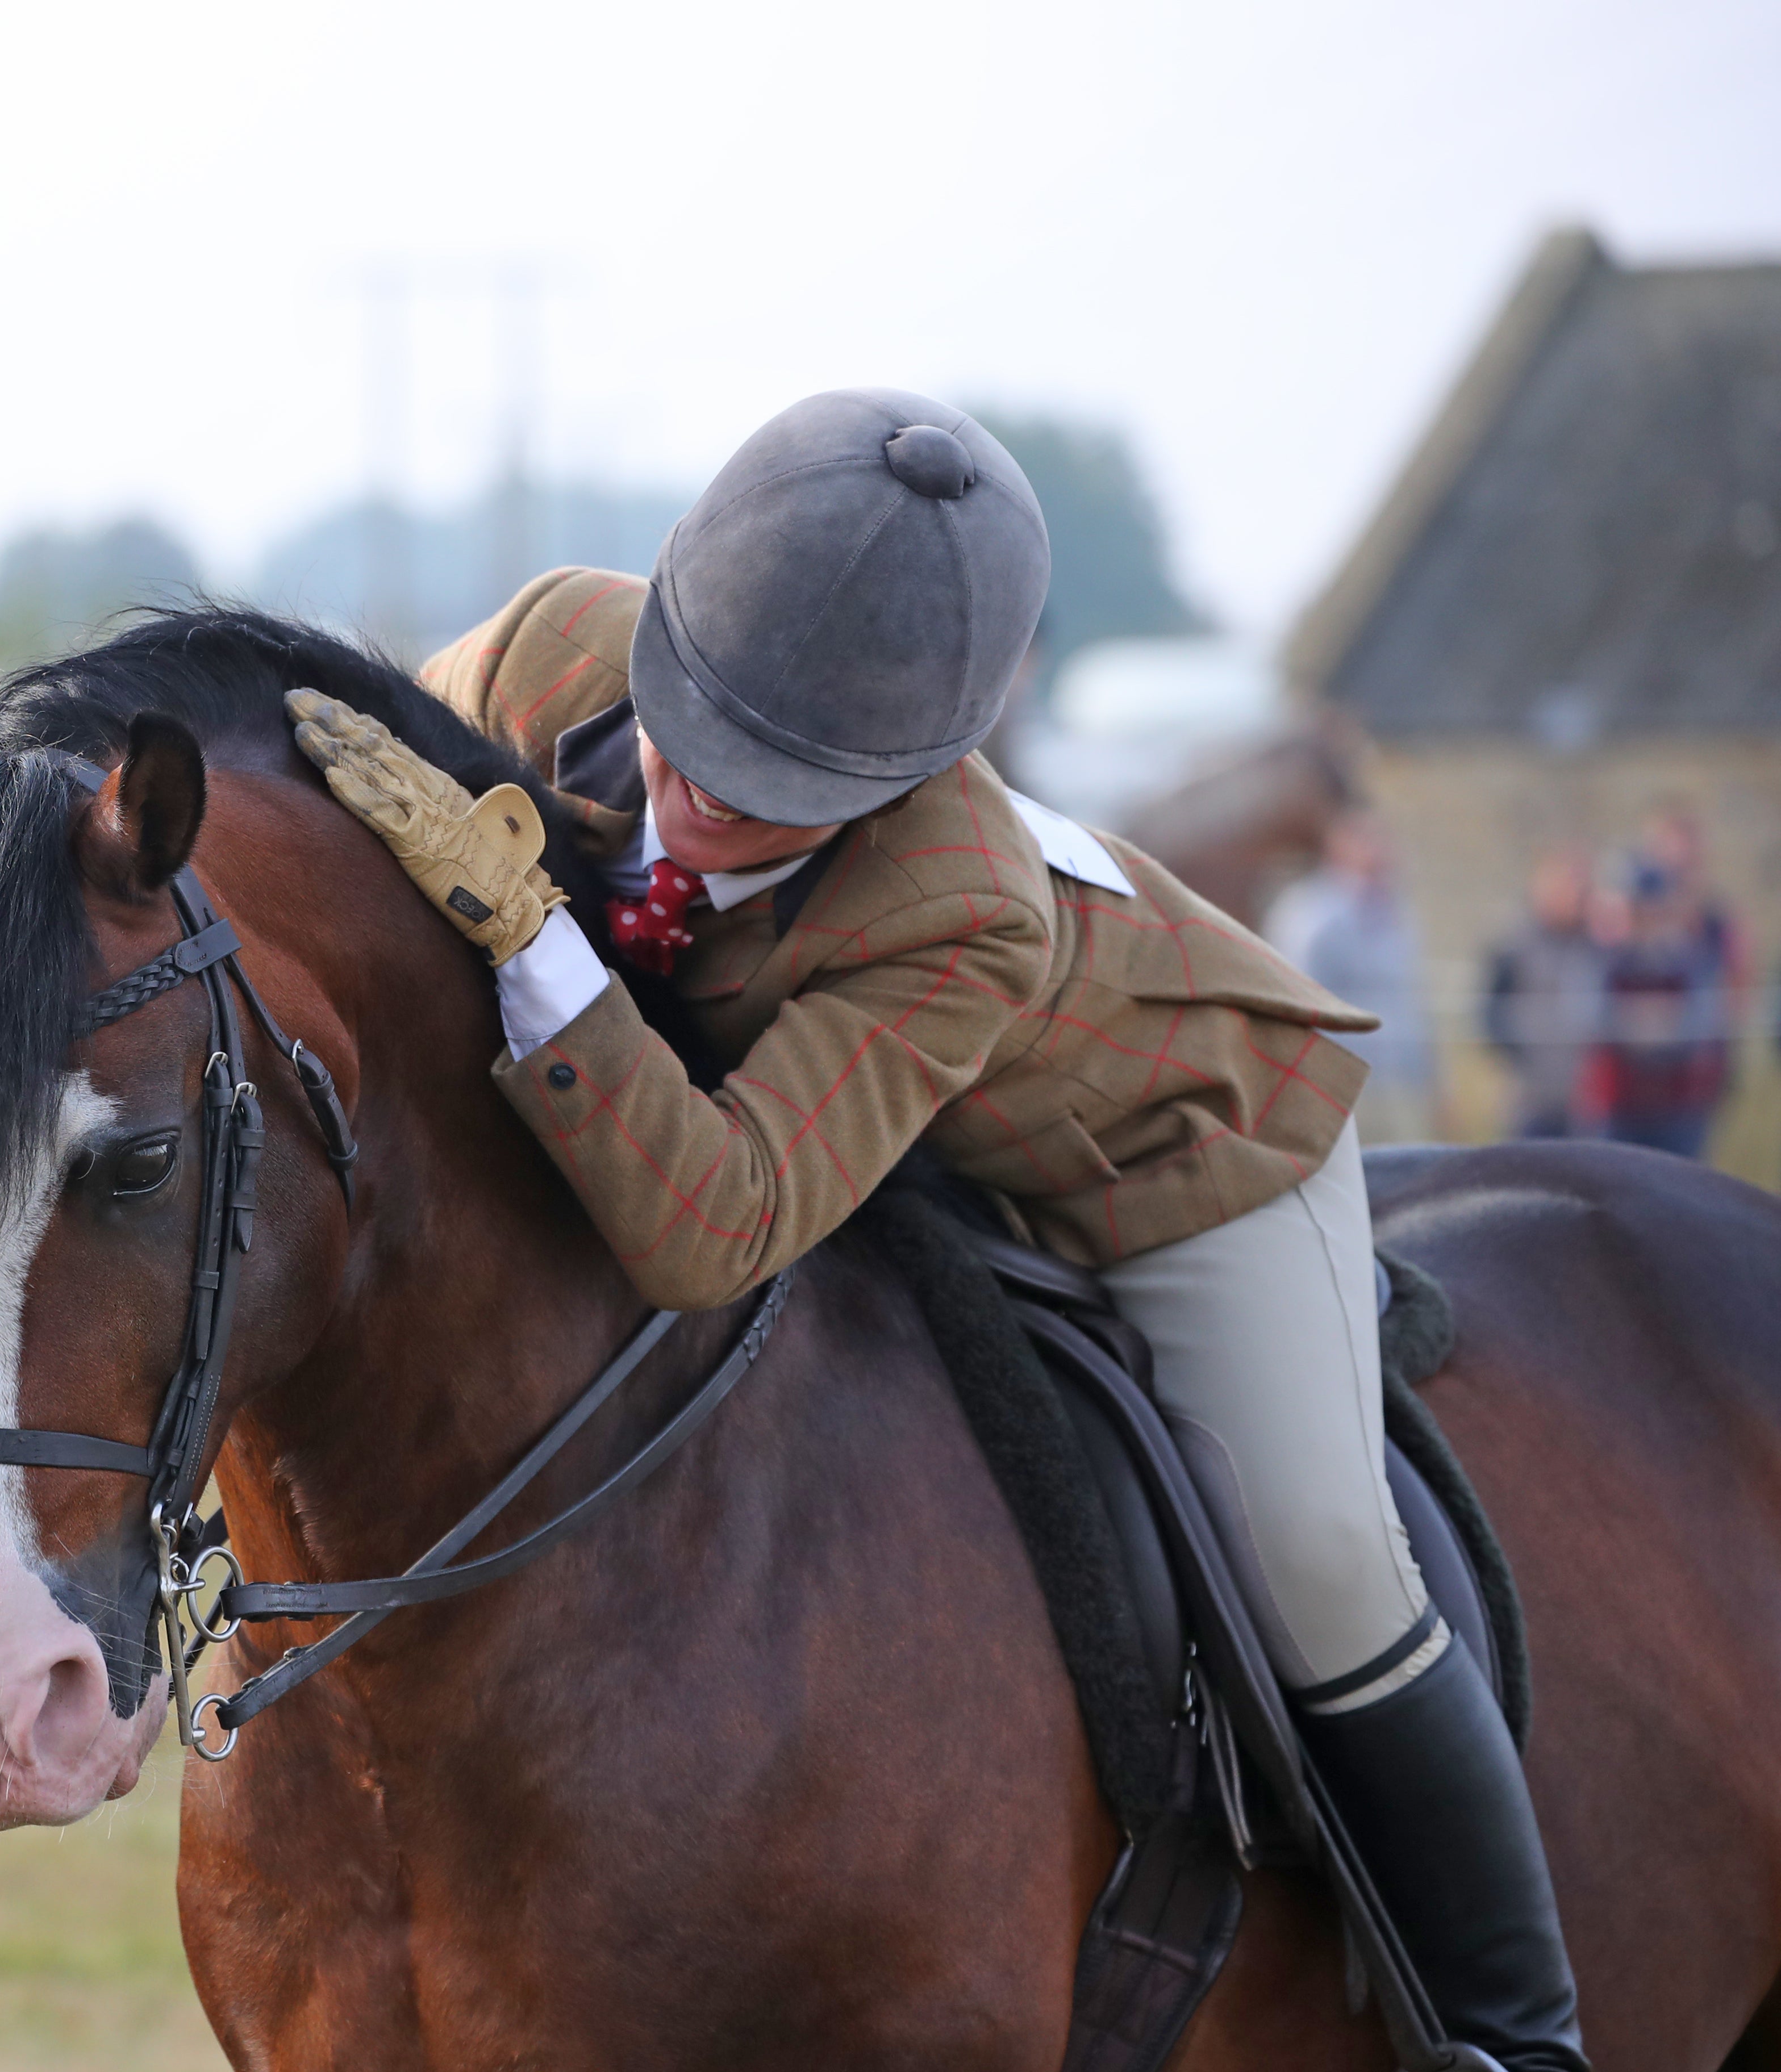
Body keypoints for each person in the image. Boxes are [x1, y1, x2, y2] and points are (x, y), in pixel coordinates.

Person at [289, 390, 1585, 2070]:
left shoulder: (957, 889)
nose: (690, 806)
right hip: (873, 1136)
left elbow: (717, 1222)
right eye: (686, 732)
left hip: (1177, 1155)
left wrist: (535, 939)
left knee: (1325, 1556)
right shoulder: (550, 642)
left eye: (764, 798)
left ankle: (1515, 2028)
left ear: (900, 783)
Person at [1266, 809, 1441, 1144]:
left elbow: (1410, 1002)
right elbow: (1295, 997)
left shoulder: (1396, 913)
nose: (1382, 850)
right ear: (1340, 848)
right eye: (1368, 840)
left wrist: (1434, 1083)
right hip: (1338, 1083)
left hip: (1399, 1080)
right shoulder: (1310, 914)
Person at [1591, 841, 1733, 1161]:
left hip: (1679, 1107)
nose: (1644, 920)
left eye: (1652, 910)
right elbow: (1590, 1021)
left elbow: (1703, 1023)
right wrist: (1646, 1024)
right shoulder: (1607, 961)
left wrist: (1650, 1025)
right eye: (1636, 910)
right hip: (1619, 1106)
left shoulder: (1690, 962)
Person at [1483, 847, 1607, 1139]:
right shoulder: (1514, 944)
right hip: (1530, 1096)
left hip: (1584, 1100)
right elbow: (1491, 1011)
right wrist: (1518, 1054)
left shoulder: (1596, 945)